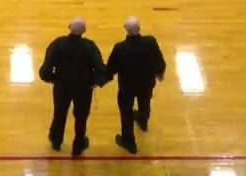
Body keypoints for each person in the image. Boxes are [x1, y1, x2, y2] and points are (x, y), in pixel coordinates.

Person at [39, 17, 106, 157]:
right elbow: (101, 70)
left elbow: (45, 71)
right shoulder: (89, 46)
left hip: (62, 87)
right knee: (81, 117)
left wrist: (54, 80)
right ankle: (78, 145)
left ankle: (56, 141)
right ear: (84, 31)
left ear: (69, 27)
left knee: (59, 113)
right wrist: (94, 82)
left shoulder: (58, 44)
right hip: (83, 89)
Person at [104, 16, 167, 154]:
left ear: (125, 29)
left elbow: (111, 69)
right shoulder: (150, 42)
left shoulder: (120, 48)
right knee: (145, 102)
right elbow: (158, 59)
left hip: (127, 86)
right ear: (139, 28)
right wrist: (160, 71)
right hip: (146, 83)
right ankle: (143, 121)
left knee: (126, 111)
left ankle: (129, 141)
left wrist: (100, 80)